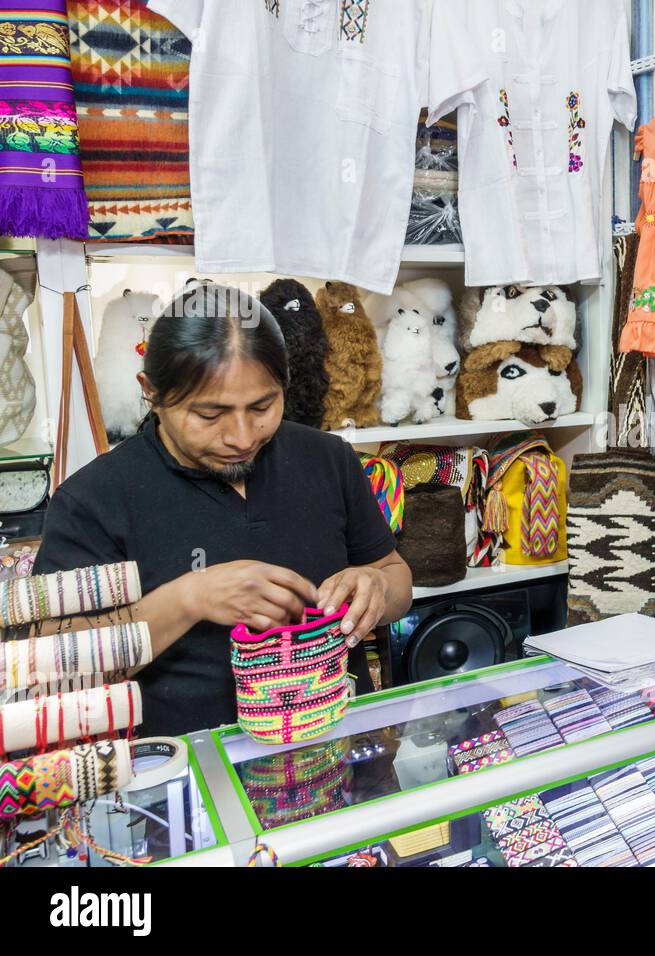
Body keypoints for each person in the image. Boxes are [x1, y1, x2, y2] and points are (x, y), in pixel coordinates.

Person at [32, 282, 413, 738]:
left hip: (340, 742)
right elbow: (60, 660)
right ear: (151, 392)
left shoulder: (327, 458)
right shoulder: (94, 499)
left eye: (263, 406)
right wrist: (190, 598)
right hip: (185, 771)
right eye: (210, 415)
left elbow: (395, 577)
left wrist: (376, 588)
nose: (241, 436)